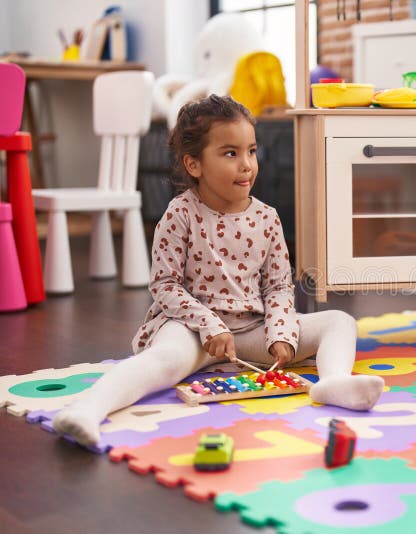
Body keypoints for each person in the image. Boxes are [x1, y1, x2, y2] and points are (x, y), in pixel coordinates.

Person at [53, 95, 384, 446]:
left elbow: (278, 287)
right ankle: (88, 408)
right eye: (230, 153)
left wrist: (281, 334)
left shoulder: (267, 217)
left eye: (251, 151)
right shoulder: (179, 215)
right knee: (163, 360)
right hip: (191, 331)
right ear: (194, 165)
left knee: (340, 322)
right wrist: (208, 325)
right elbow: (165, 284)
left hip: (250, 328)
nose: (246, 165)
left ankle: (331, 382)